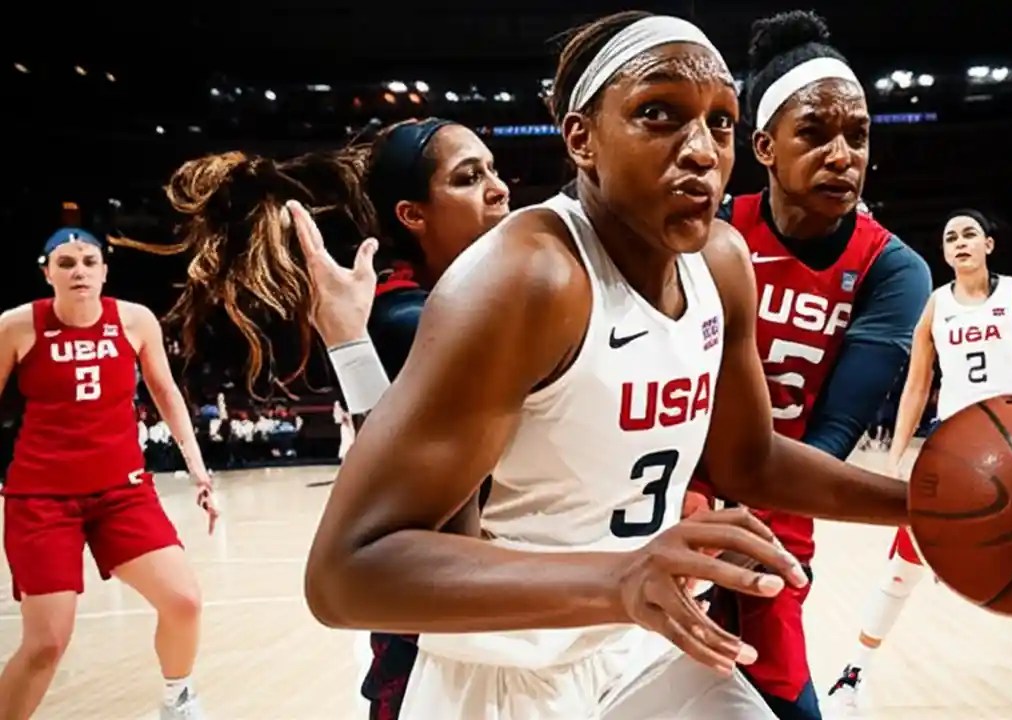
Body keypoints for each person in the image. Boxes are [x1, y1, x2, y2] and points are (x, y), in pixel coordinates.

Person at [302, 11, 919, 719]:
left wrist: (921, 506)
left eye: (719, 123)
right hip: (511, 675)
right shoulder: (528, 276)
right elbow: (345, 573)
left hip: (646, 647)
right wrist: (621, 578)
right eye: (659, 114)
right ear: (581, 138)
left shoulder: (720, 261)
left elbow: (749, 462)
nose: (700, 151)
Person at [115, 117, 510, 719]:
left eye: (492, 169)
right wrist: (351, 351)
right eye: (469, 176)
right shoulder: (412, 317)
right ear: (412, 214)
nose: (499, 187)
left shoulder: (443, 300)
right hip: (448, 628)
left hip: (481, 613)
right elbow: (423, 506)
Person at [687, 11, 931, 719]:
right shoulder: (711, 229)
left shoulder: (892, 269)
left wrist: (749, 516)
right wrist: (696, 503)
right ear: (763, 145)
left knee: (782, 699)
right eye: (815, 134)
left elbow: (833, 433)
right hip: (670, 489)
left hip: (779, 501)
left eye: (857, 135)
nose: (842, 155)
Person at [820, 209, 1012, 716]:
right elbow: (917, 384)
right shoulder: (935, 306)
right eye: (950, 237)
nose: (959, 243)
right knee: (902, 564)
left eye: (968, 235)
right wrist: (896, 456)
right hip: (953, 446)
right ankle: (853, 673)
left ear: (988, 245)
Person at [0, 228, 218, 720]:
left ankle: (178, 700)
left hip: (123, 492)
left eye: (88, 261)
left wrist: (198, 468)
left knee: (183, 601)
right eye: (66, 262)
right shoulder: (17, 326)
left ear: (104, 271)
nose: (78, 270)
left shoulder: (135, 320)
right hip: (41, 498)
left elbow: (166, 394)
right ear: (47, 273)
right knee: (46, 645)